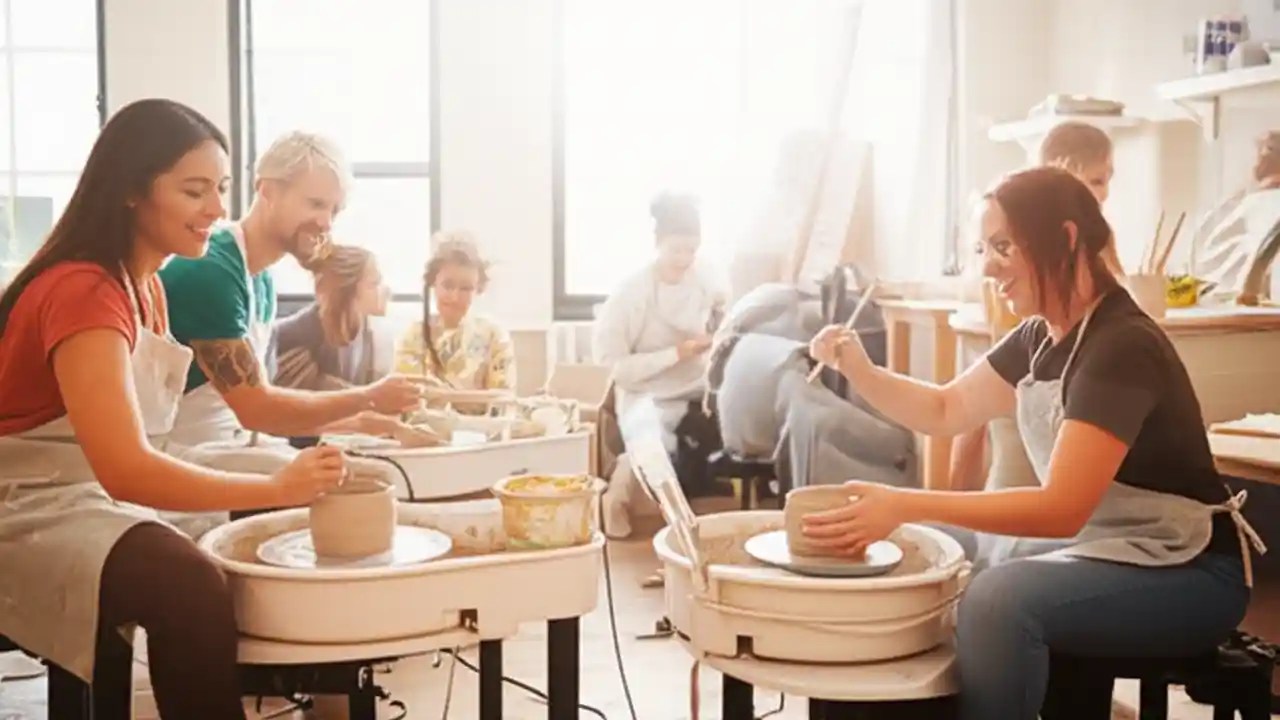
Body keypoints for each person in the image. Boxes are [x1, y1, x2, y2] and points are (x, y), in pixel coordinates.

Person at [803, 166, 1264, 720]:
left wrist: (902, 500)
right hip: (1106, 547)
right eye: (982, 249)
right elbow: (945, 409)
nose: (988, 267)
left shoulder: (1121, 345)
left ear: (1066, 239)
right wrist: (859, 368)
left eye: (1002, 246)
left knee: (999, 599)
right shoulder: (1040, 336)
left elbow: (1060, 509)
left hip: (1187, 571)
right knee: (926, 543)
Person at [0, 99, 347, 719]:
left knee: (268, 518)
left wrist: (275, 483)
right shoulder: (83, 289)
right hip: (25, 506)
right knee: (186, 585)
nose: (216, 209)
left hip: (89, 491)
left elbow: (148, 450)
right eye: (194, 191)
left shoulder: (150, 286)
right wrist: (272, 483)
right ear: (133, 191)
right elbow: (125, 470)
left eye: (219, 188)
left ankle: (324, 690)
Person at [159, 131, 422, 450]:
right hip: (181, 455)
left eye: (334, 211)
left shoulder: (262, 280)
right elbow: (257, 409)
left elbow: (267, 413)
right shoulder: (211, 271)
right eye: (315, 204)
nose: (326, 223)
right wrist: (369, 398)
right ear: (267, 190)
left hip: (228, 446)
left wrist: (365, 423)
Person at [949, 120, 1123, 493]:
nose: (1104, 194)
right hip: (1022, 434)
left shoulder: (1113, 322)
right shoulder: (1021, 276)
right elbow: (962, 411)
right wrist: (951, 502)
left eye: (1107, 181)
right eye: (1095, 181)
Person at [592, 192, 728, 536]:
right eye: (676, 250)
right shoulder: (631, 294)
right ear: (657, 243)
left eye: (691, 250)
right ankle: (615, 500)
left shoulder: (707, 277)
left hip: (695, 385)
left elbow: (725, 314)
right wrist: (676, 353)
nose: (684, 259)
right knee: (650, 444)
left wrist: (718, 334)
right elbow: (617, 367)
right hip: (645, 390)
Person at [393, 230, 516, 395]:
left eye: (466, 288)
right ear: (433, 283)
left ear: (478, 289)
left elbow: (502, 398)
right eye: (447, 285)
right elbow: (406, 395)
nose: (455, 297)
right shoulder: (413, 336)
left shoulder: (494, 336)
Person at [275, 244, 389, 390]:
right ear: (349, 292)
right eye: (374, 283)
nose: (386, 290)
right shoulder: (296, 337)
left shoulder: (366, 331)